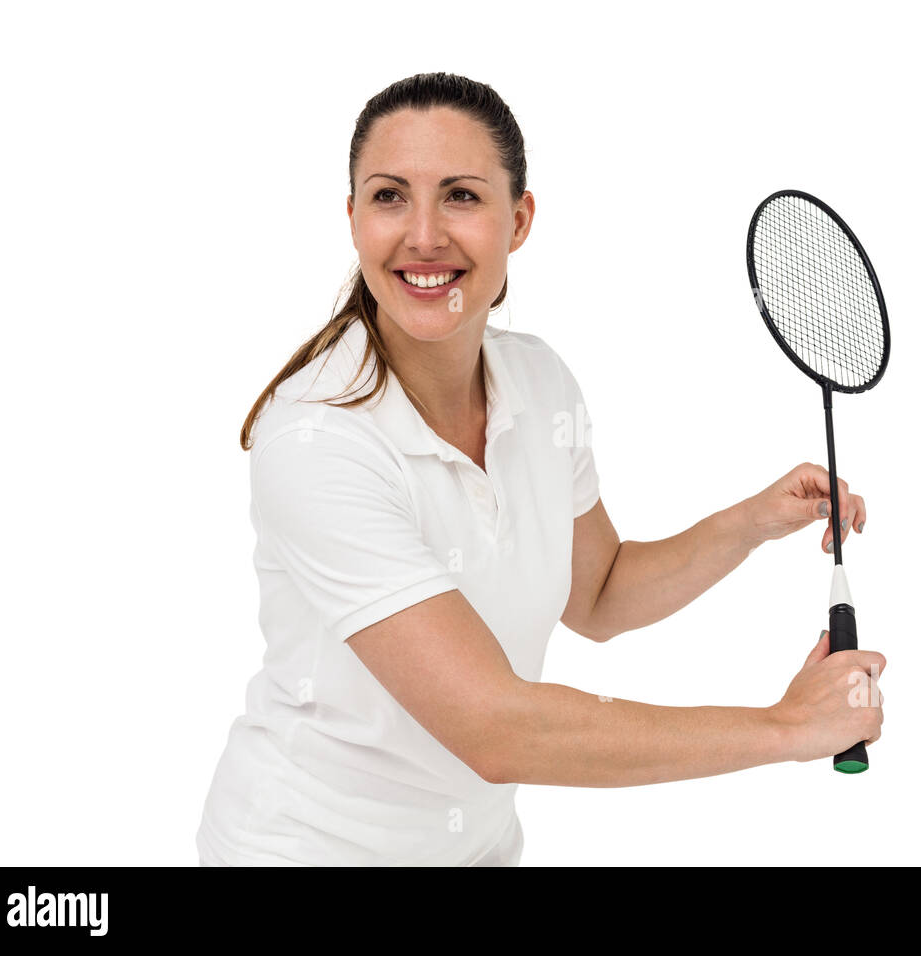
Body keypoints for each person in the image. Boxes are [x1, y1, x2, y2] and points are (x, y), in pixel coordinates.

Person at [195, 72, 885, 867]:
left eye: (460, 196)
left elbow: (597, 594)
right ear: (351, 216)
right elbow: (497, 727)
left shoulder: (537, 381)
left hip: (479, 850)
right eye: (389, 197)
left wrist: (751, 524)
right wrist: (787, 728)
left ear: (518, 220)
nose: (423, 235)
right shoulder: (316, 440)